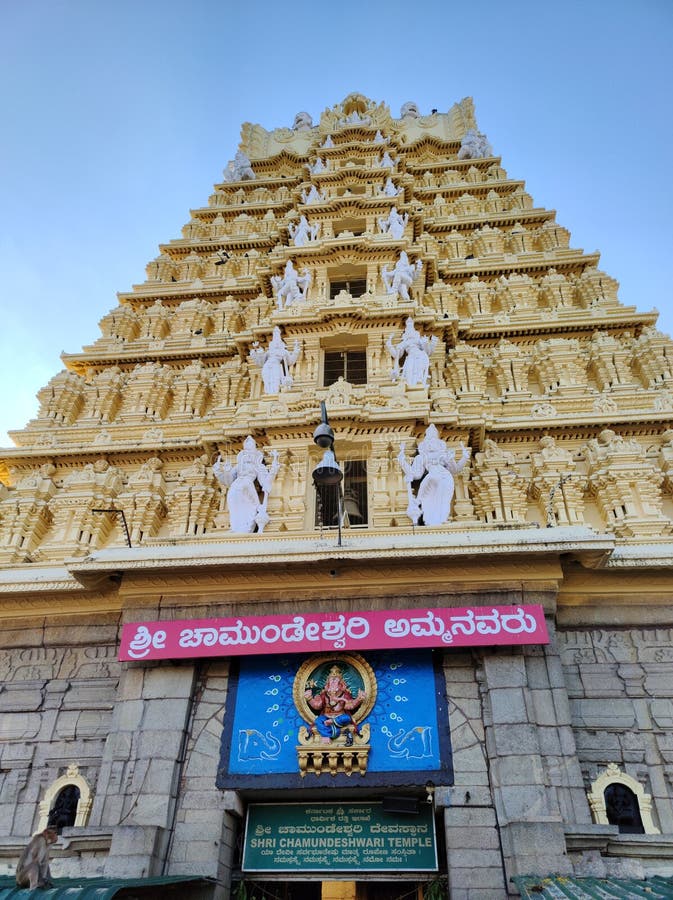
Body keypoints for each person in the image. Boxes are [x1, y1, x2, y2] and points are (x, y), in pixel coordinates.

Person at [398, 426, 470, 525]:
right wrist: (402, 460)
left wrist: (464, 458)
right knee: (427, 501)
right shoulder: (422, 457)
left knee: (444, 501)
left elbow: (455, 469)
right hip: (432, 479)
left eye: (434, 440)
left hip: (445, 478)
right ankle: (430, 519)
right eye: (429, 439)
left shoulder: (444, 455)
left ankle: (442, 519)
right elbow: (415, 474)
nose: (431, 443)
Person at [213, 437, 279, 533]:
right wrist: (220, 471)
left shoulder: (257, 466)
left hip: (247, 488)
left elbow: (265, 482)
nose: (248, 454)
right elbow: (227, 481)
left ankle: (245, 530)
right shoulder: (238, 466)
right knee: (235, 511)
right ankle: (235, 528)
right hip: (234, 488)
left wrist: (274, 467)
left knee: (251, 510)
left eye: (250, 450)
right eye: (246, 450)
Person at [305, 665, 366, 744]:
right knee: (318, 721)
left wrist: (359, 699)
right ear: (327, 684)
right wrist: (309, 698)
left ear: (341, 684)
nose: (333, 683)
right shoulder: (324, 695)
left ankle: (332, 723)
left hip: (339, 717)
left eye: (336, 681)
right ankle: (326, 735)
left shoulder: (345, 694)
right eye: (331, 681)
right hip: (326, 717)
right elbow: (317, 706)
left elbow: (350, 706)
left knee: (347, 718)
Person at [387, 318, 438, 387]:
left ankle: (419, 383)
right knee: (409, 372)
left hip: (420, 356)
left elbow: (428, 351)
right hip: (410, 358)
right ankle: (412, 386)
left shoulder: (418, 340)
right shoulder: (405, 342)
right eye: (408, 329)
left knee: (418, 372)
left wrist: (429, 343)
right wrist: (389, 344)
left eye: (411, 329)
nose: (410, 331)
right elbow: (397, 355)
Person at [249, 327, 301, 394]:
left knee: (275, 380)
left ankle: (273, 393)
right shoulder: (269, 352)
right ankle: (269, 393)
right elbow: (261, 360)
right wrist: (258, 348)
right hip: (267, 366)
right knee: (267, 380)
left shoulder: (284, 352)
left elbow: (290, 361)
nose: (276, 342)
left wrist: (296, 351)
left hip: (276, 366)